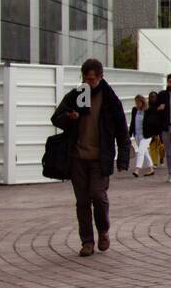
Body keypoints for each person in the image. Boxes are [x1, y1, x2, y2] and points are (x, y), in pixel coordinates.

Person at [51, 59, 129, 256]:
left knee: (98, 195)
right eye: (85, 78)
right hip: (77, 157)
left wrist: (123, 159)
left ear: (101, 77)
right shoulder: (76, 96)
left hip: (100, 157)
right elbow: (56, 118)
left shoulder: (110, 99)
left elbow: (122, 130)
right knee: (82, 201)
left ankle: (103, 230)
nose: (89, 82)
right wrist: (69, 117)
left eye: (92, 79)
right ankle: (87, 241)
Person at [129, 94, 155, 177]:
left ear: (142, 102)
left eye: (138, 102)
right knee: (145, 152)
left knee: (140, 151)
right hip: (137, 135)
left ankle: (137, 170)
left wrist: (154, 133)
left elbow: (152, 123)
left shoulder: (148, 110)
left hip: (146, 135)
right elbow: (133, 122)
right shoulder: (134, 110)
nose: (137, 104)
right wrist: (129, 134)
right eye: (136, 102)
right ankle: (151, 169)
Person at [145, 89, 164, 168]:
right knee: (153, 146)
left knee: (162, 147)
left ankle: (162, 158)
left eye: (155, 97)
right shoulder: (147, 108)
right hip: (151, 129)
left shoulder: (161, 107)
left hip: (161, 129)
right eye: (151, 97)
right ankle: (155, 162)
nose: (153, 98)